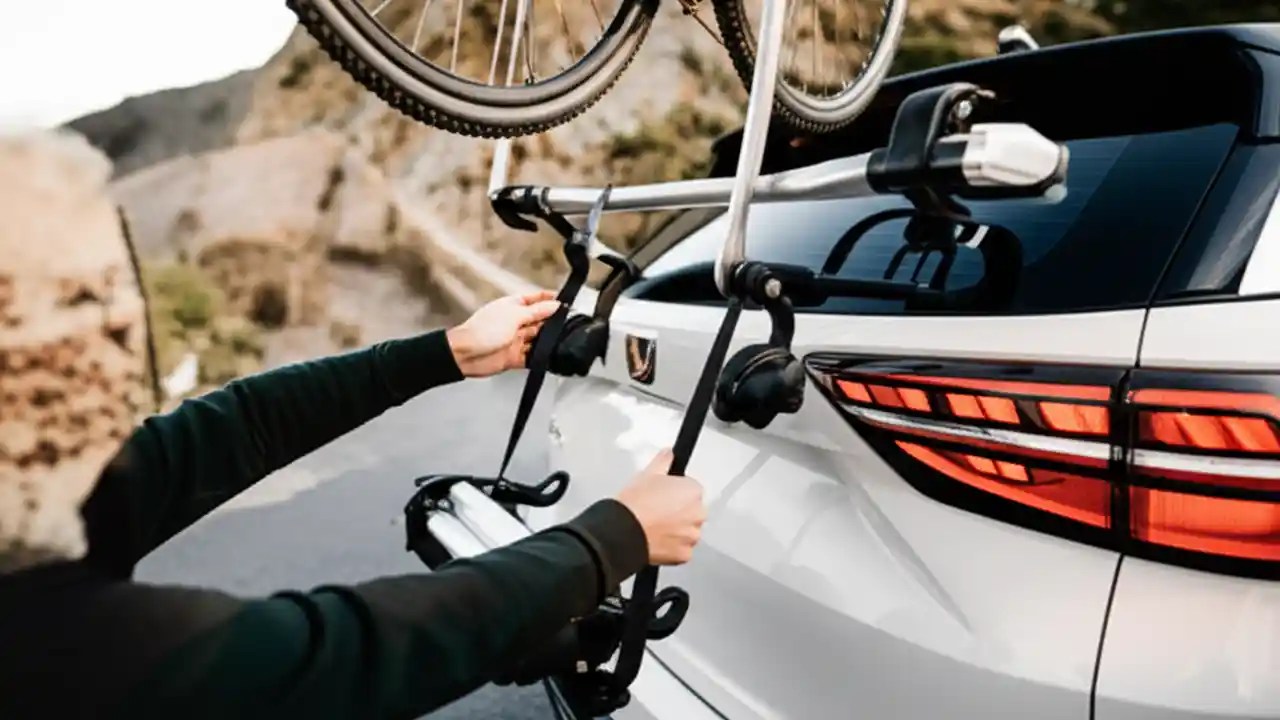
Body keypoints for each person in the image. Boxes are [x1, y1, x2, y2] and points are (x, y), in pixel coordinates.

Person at [0, 131, 706, 719]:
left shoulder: (32, 505)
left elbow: (233, 429)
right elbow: (351, 651)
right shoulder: (54, 647)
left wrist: (447, 353)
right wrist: (614, 538)